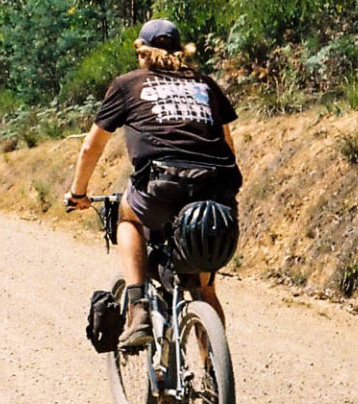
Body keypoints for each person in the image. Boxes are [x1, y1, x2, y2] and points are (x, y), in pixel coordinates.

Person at [64, 18, 241, 351]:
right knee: (206, 290)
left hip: (161, 184)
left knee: (127, 217)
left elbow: (92, 146)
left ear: (141, 52)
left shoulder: (128, 84)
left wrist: (78, 193)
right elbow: (227, 143)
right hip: (215, 191)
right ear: (179, 52)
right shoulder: (204, 83)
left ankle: (138, 308)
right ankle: (213, 380)